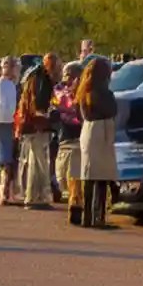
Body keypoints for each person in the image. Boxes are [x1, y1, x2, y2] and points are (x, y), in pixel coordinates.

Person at [78, 57, 118, 229]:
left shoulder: (84, 92)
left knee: (88, 174)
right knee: (102, 176)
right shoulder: (105, 93)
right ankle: (98, 216)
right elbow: (112, 110)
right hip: (102, 130)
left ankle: (86, 216)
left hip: (88, 130)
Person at [18, 55, 58, 210]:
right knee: (38, 162)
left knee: (35, 161)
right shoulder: (41, 80)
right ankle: (36, 197)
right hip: (37, 126)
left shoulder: (34, 76)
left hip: (31, 125)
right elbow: (38, 104)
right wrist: (49, 115)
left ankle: (33, 196)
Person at [54, 61, 85, 225]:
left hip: (77, 138)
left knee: (75, 172)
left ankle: (76, 202)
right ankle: (75, 199)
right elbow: (66, 108)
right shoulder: (61, 91)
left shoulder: (83, 92)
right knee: (69, 173)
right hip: (68, 136)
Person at [0, 57, 20, 205]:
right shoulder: (2, 83)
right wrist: (15, 116)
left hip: (9, 123)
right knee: (6, 158)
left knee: (11, 159)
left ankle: (9, 192)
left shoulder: (11, 84)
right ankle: (4, 193)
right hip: (3, 123)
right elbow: (3, 105)